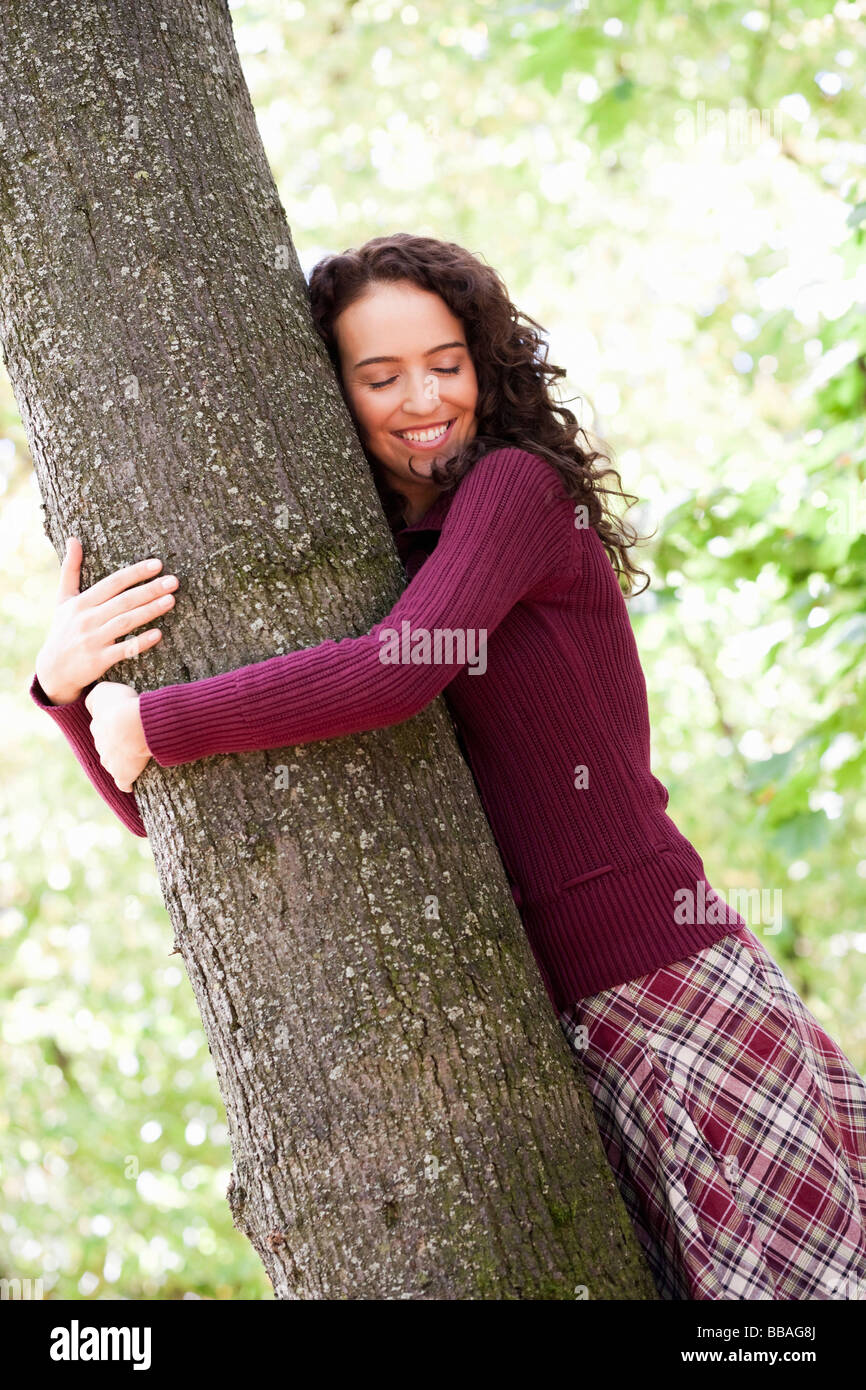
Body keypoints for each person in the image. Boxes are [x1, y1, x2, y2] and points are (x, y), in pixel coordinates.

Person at [30, 232, 866, 1301]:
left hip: (661, 980)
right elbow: (189, 817)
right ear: (326, 390)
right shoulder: (388, 555)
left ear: (486, 362)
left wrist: (160, 714)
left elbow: (391, 674)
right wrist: (64, 693)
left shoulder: (514, 493)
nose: (423, 397)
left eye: (445, 362)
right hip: (557, 1019)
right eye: (379, 376)